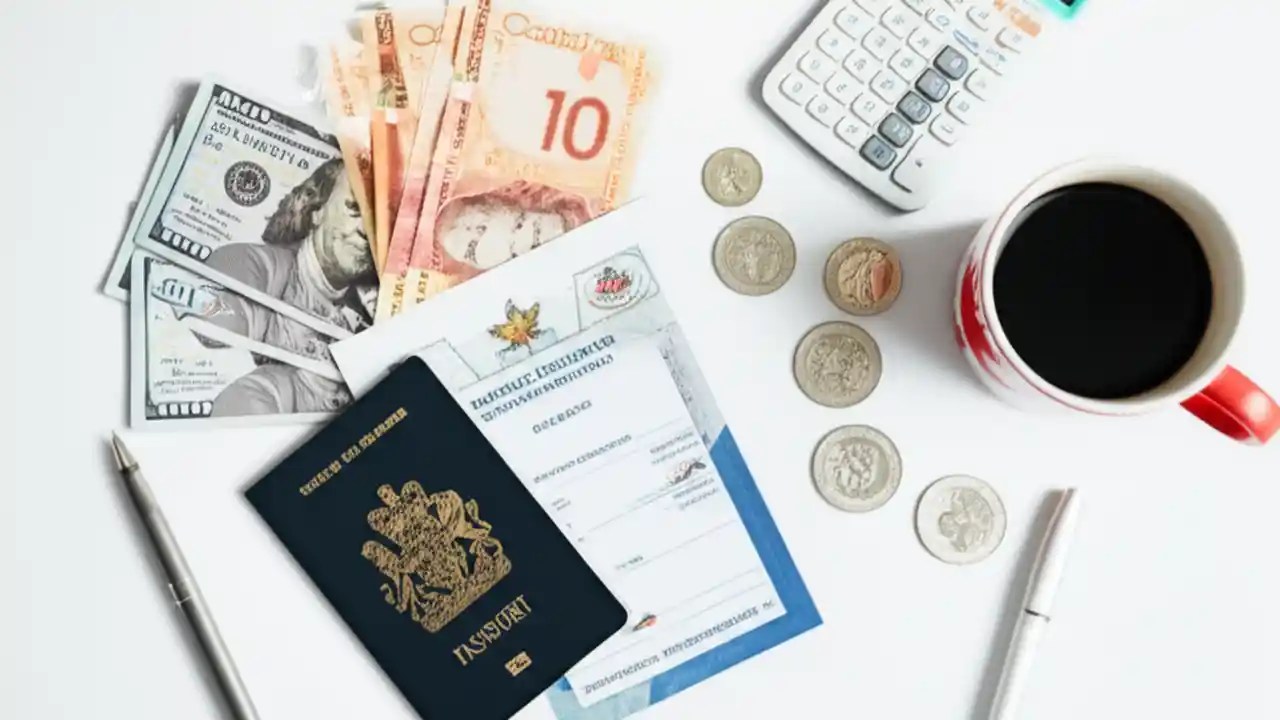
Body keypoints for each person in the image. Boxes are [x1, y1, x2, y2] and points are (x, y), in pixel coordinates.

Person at [159, 158, 376, 416]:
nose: (367, 230)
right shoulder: (252, 265)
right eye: (354, 208)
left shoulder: (371, 308)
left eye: (380, 222)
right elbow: (217, 325)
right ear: (317, 210)